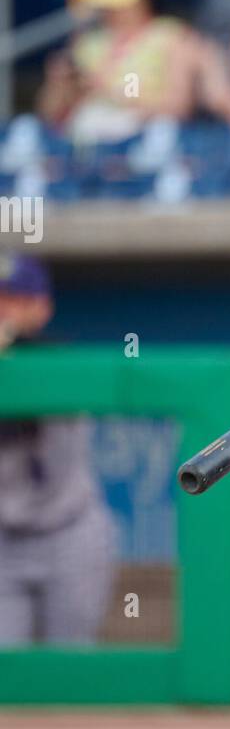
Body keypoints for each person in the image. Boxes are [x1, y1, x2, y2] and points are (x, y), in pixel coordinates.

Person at [0, 255, 116, 644]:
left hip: (69, 531)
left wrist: (11, 347)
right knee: (7, 674)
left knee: (72, 666)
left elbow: (41, 368)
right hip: (4, 539)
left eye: (15, 298)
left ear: (42, 306)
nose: (4, 308)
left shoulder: (60, 357)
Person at [37, 0, 230, 143]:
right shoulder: (88, 42)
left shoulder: (175, 38)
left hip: (145, 144)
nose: (112, 7)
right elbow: (51, 115)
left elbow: (178, 107)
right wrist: (59, 85)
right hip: (86, 144)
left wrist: (110, 92)